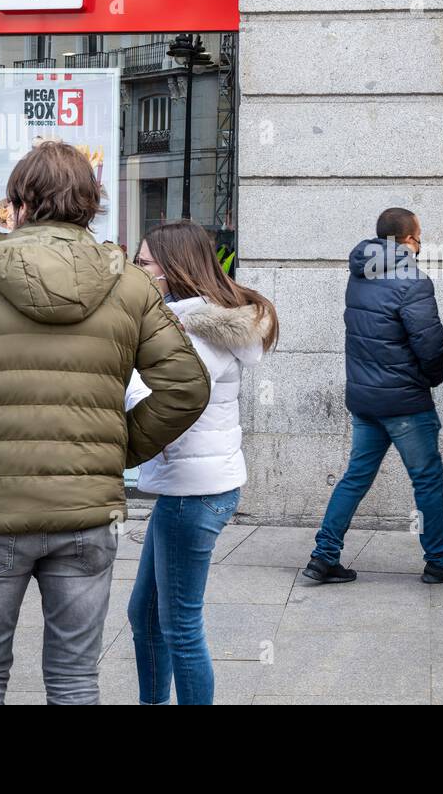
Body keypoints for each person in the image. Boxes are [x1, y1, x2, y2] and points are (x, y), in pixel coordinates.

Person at [0, 141, 211, 705]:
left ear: (18, 202)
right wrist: (118, 448)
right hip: (86, 513)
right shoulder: (130, 282)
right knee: (73, 679)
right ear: (91, 204)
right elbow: (187, 387)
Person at [126, 221, 277, 705]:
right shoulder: (189, 321)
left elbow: (152, 398)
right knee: (146, 614)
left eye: (145, 262)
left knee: (179, 625)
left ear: (172, 269)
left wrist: (114, 370)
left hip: (194, 490)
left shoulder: (188, 331)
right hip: (190, 485)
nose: (138, 269)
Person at [303, 208, 443, 586]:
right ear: (405, 240)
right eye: (419, 238)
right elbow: (430, 344)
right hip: (404, 402)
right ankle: (440, 560)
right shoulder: (413, 282)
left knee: (355, 477)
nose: (420, 246)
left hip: (366, 398)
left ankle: (323, 556)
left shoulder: (359, 275)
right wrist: (431, 378)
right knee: (428, 480)